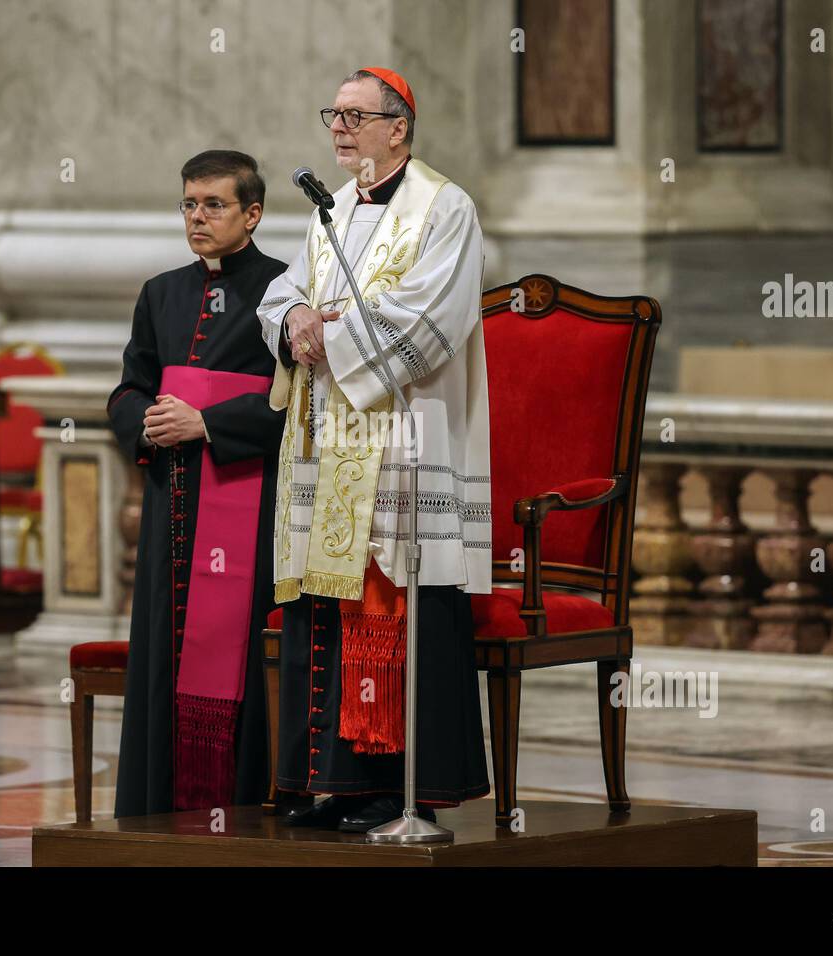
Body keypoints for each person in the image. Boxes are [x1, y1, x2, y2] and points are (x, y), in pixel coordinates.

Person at [257, 69, 492, 832]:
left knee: (393, 601)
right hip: (329, 444)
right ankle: (337, 783)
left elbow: (431, 319)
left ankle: (401, 787)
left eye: (356, 116)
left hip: (403, 443)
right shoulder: (332, 210)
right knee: (329, 600)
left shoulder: (444, 207)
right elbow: (285, 290)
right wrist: (294, 318)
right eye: (333, 114)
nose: (339, 128)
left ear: (400, 127)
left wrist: (332, 333)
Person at [109, 149, 288, 816]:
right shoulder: (161, 292)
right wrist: (147, 422)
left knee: (239, 655)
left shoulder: (285, 290)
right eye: (189, 203)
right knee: (164, 652)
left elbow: (293, 401)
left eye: (213, 205)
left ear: (252, 213)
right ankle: (157, 809)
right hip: (172, 506)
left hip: (243, 498)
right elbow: (130, 385)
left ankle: (243, 807)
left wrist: (206, 422)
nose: (197, 217)